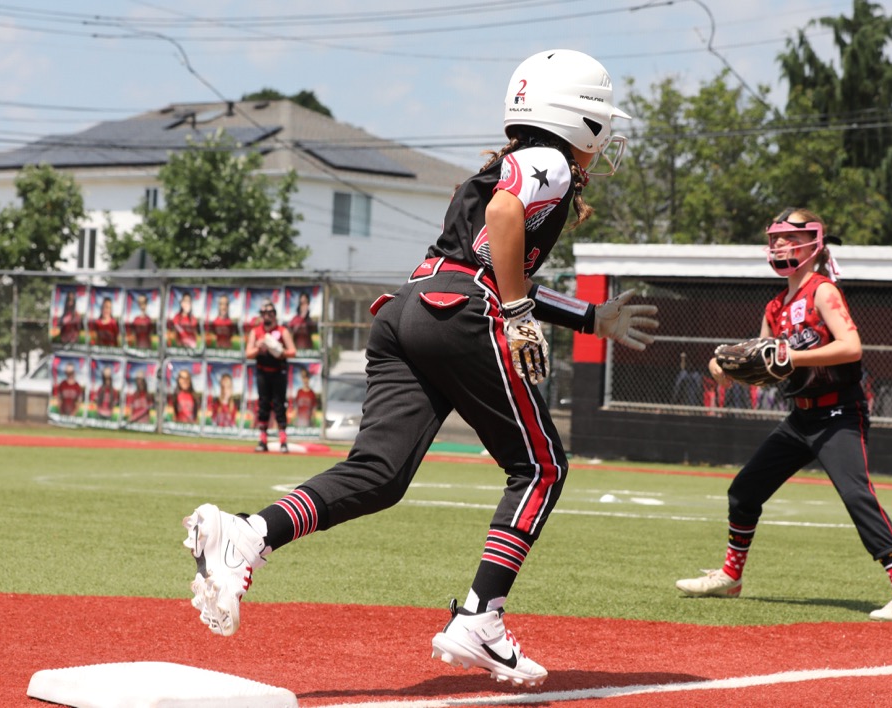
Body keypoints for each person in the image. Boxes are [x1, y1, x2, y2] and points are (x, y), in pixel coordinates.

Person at [180, 49, 657, 688]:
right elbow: (503, 223)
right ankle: (479, 618)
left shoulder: (513, 161)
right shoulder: (549, 162)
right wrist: (515, 313)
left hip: (410, 307)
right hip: (460, 311)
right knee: (541, 468)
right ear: (579, 117)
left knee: (378, 473)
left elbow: (485, 255)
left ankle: (248, 534)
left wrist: (587, 317)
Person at [676, 207, 892, 622]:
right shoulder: (776, 306)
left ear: (811, 244)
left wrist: (796, 355)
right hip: (801, 418)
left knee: (855, 494)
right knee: (744, 490)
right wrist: (725, 369)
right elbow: (761, 362)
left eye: (787, 238)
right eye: (774, 238)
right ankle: (731, 577)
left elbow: (852, 347)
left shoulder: (822, 290)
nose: (778, 245)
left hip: (840, 412)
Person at [245, 300, 296, 453]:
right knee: (263, 405)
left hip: (278, 372)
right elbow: (248, 353)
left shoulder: (282, 331)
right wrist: (258, 347)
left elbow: (292, 351)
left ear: (274, 315)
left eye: (270, 313)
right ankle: (263, 439)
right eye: (264, 314)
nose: (267, 317)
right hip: (263, 372)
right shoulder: (256, 332)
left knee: (279, 405)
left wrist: (280, 352)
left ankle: (283, 440)